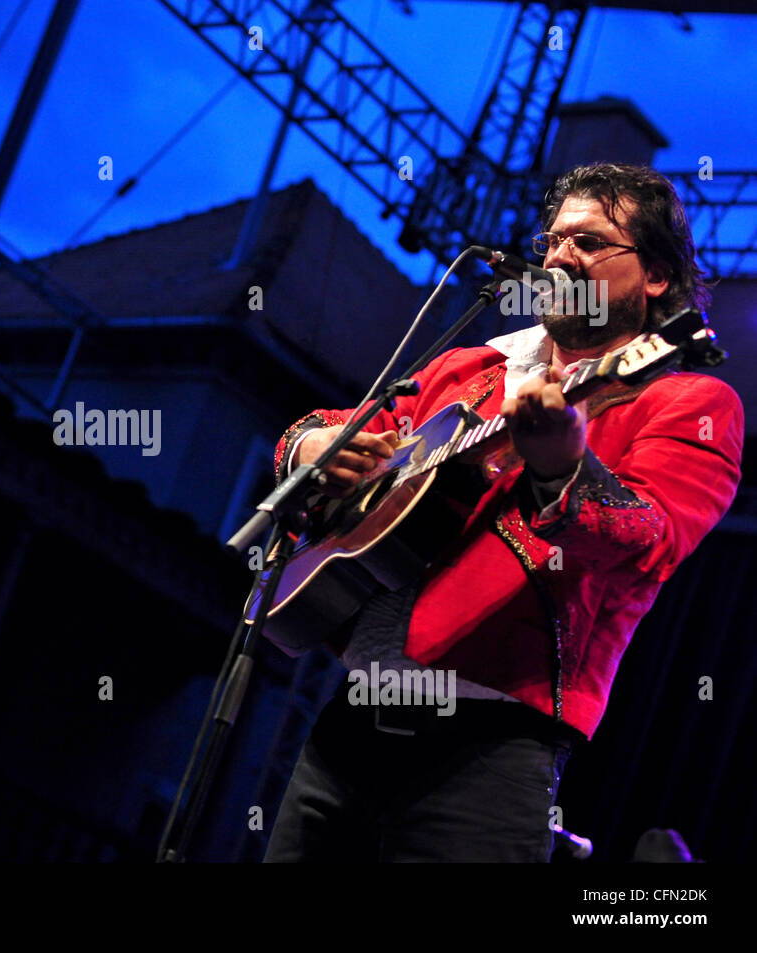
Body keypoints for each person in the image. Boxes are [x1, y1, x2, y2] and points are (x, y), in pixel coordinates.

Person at [262, 163, 744, 862]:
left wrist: (563, 468)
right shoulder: (470, 368)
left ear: (657, 277)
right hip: (349, 723)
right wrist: (310, 444)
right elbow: (333, 426)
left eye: (587, 242)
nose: (556, 256)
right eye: (552, 240)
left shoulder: (689, 404)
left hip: (491, 747)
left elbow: (650, 538)